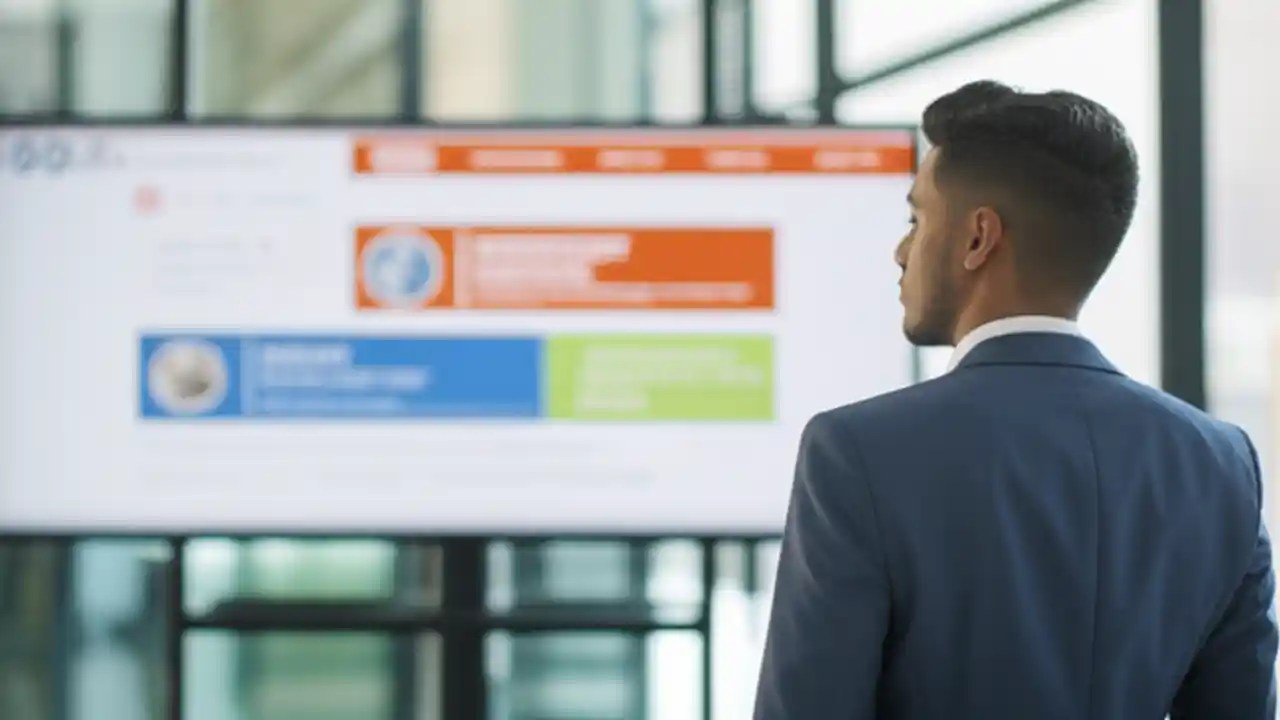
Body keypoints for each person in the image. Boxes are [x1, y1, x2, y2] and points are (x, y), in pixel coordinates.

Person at [753, 80, 1278, 719]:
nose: (901, 251)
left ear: (979, 238)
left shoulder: (858, 452)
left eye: (916, 220)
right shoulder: (1221, 463)